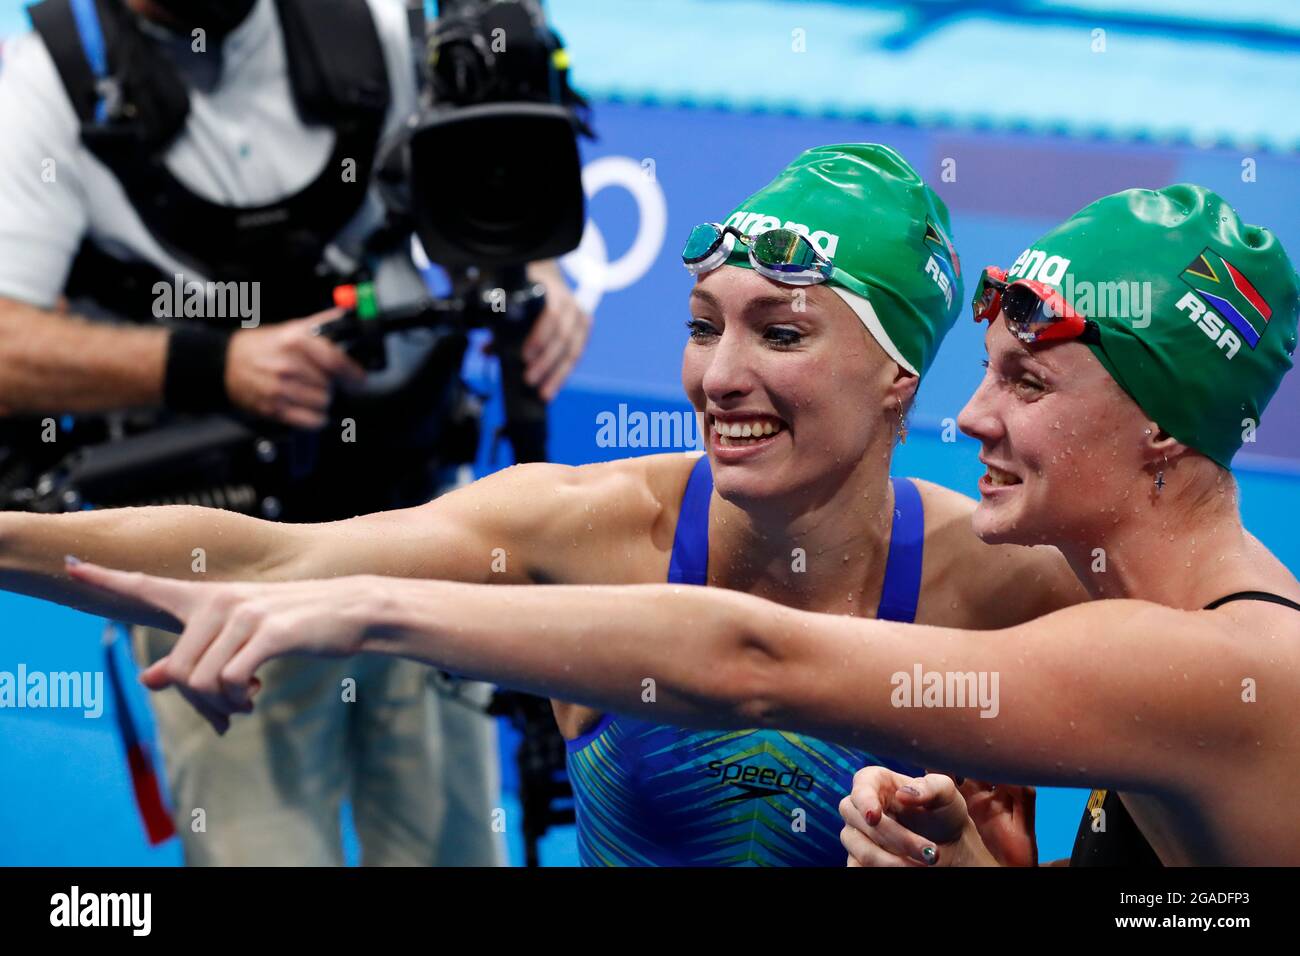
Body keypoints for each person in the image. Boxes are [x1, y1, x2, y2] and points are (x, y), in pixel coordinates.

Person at [48, 182, 1300, 866]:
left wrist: (365, 607)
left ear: (1162, 428)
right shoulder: (579, 519)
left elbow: (751, 663)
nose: (975, 416)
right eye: (704, 326)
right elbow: (268, 554)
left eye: (1026, 385)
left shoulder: (1166, 649)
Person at [0, 0, 590, 865]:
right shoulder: (49, 80)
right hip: (212, 572)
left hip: (419, 538)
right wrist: (213, 364)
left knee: (457, 851)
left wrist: (530, 272)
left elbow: (494, 154)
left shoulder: (379, 24)